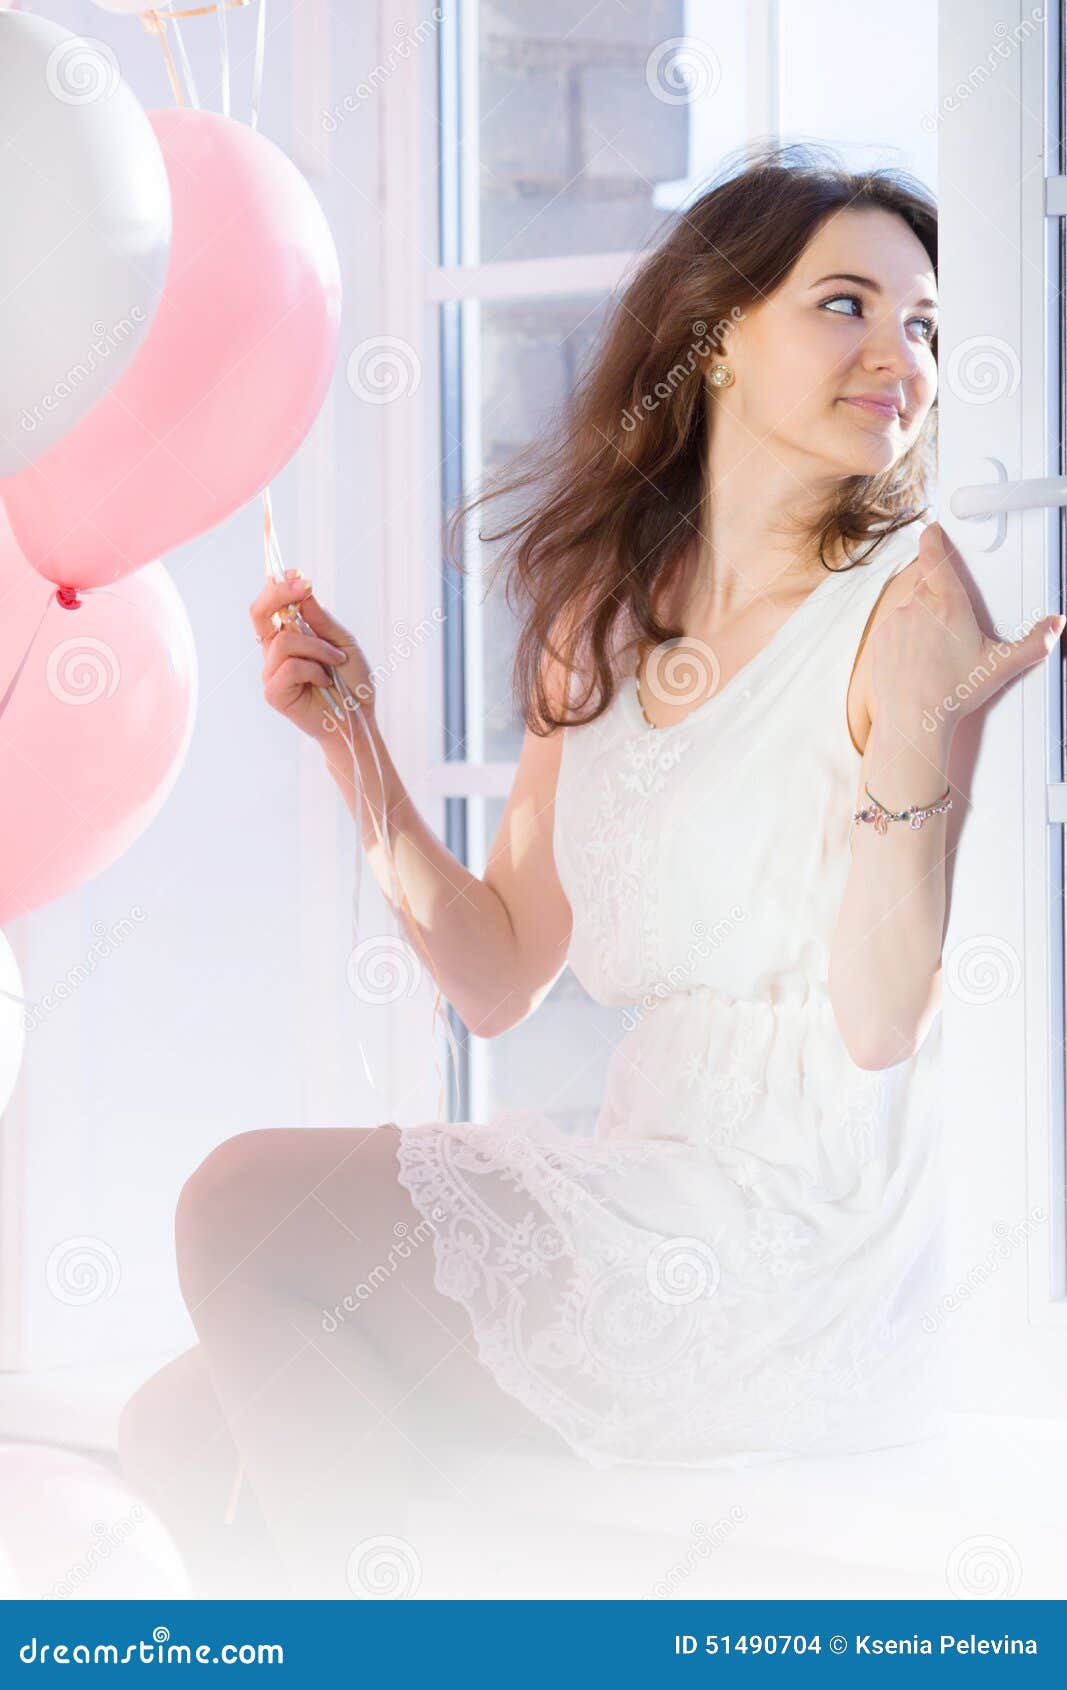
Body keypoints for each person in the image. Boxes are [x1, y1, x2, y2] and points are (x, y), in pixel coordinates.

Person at [117, 142, 1065, 1599]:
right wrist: (353, 740)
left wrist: (919, 743)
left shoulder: (914, 599)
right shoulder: (603, 621)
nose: (902, 358)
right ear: (715, 339)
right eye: (847, 305)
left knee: (239, 1203)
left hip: (801, 1235)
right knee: (173, 1427)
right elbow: (499, 971)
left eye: (926, 324)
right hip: (644, 1171)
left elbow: (882, 1026)